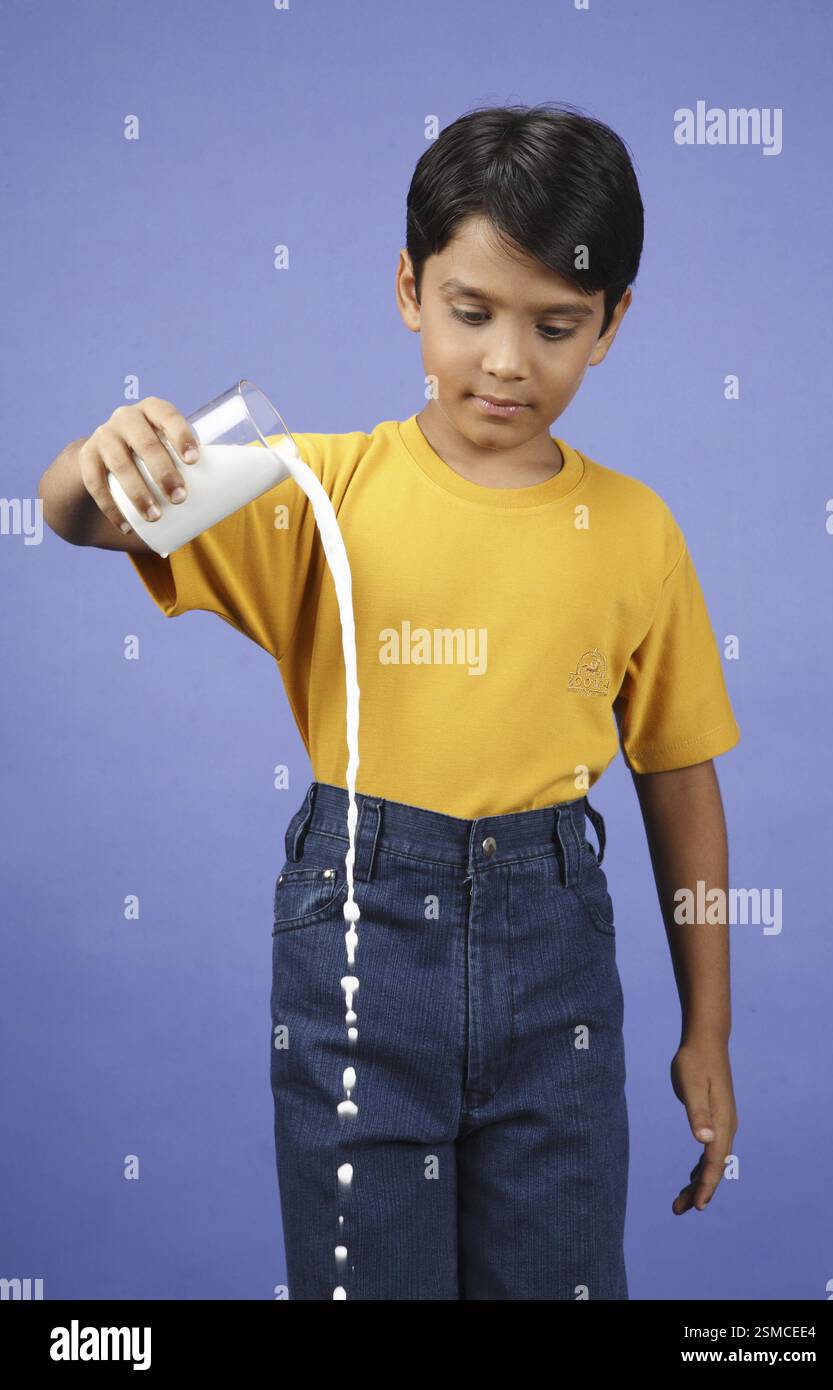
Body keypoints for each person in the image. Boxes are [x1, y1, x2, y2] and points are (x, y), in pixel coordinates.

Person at [38, 102, 740, 1301]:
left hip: (555, 968)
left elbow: (676, 776)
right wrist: (97, 459)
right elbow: (86, 519)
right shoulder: (309, 489)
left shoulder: (636, 531)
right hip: (358, 951)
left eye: (554, 323)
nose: (507, 360)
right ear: (407, 289)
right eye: (470, 313)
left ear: (612, 322)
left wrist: (707, 1029)